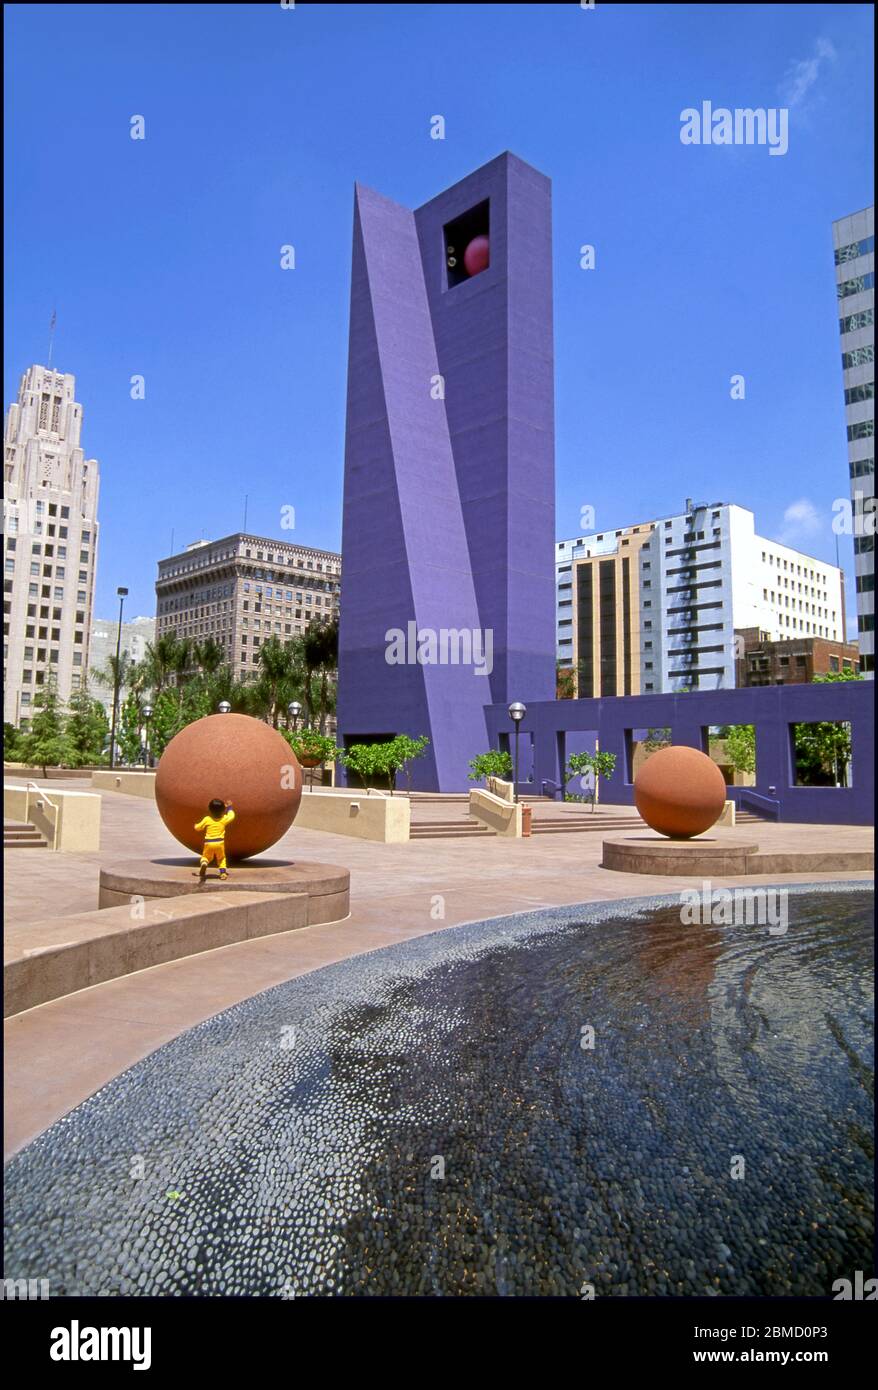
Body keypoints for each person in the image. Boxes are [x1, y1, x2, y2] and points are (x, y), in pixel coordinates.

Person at [194, 798, 235, 881]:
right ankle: (223, 873)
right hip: (219, 843)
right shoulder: (224, 819)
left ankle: (204, 863)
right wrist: (229, 808)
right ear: (223, 810)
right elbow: (232, 816)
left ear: (209, 809)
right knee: (221, 858)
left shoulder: (207, 819)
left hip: (209, 843)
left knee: (206, 856)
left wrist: (195, 825)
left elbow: (198, 828)